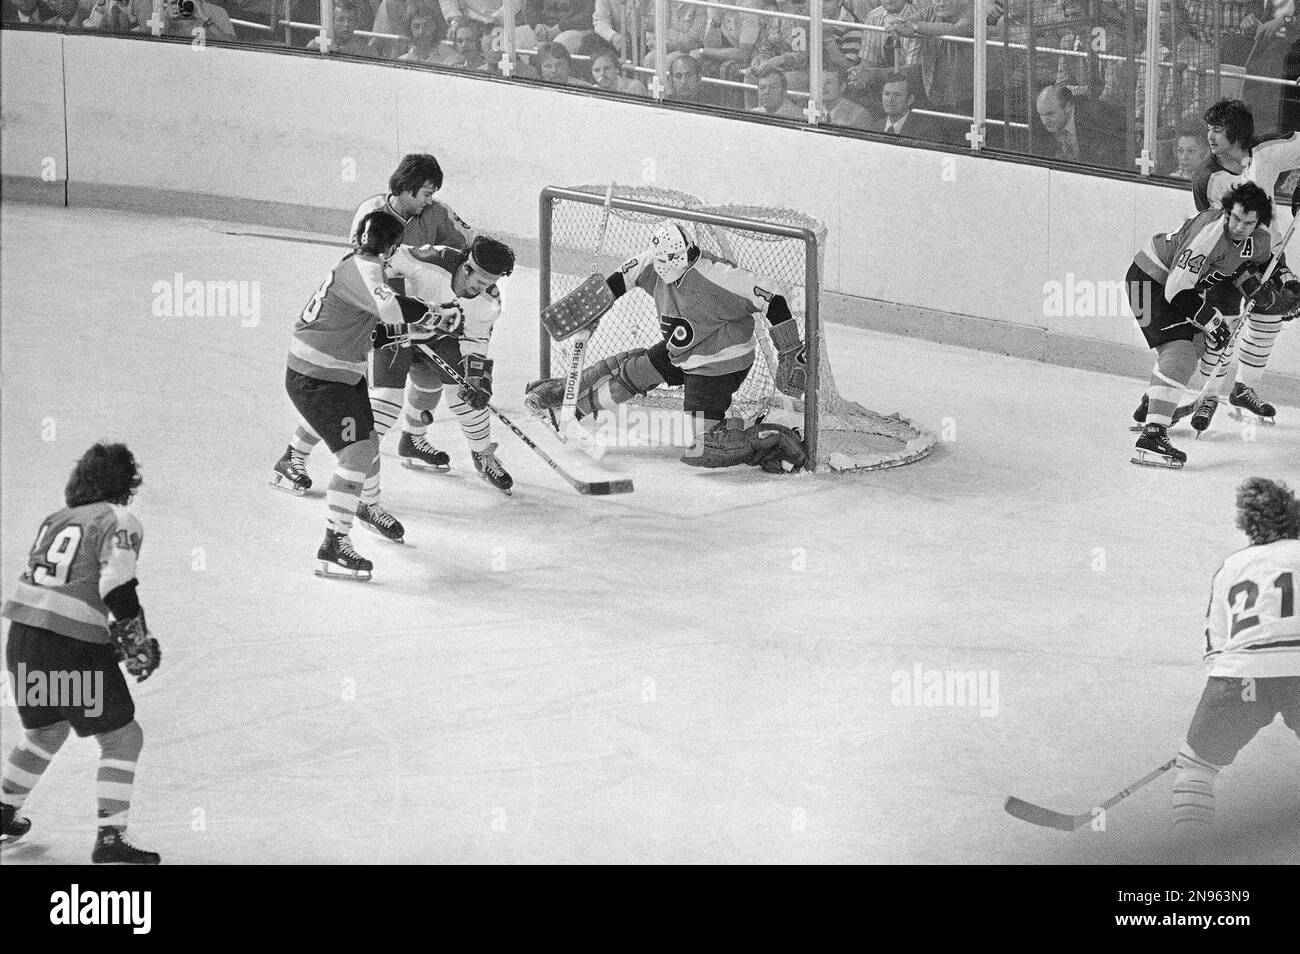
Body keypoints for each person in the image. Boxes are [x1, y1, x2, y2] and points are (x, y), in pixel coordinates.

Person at [524, 221, 808, 473]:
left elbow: (774, 299)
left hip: (718, 363)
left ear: (687, 251)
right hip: (681, 349)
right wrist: (592, 312)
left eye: (674, 258)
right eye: (662, 259)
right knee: (629, 373)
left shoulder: (718, 275)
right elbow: (618, 281)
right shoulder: (652, 263)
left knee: (706, 446)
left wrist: (789, 350)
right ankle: (574, 408)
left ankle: (769, 436)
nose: (666, 265)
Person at [272, 154, 475, 497]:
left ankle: (413, 440)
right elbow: (370, 275)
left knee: (428, 383)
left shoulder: (438, 212)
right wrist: (414, 314)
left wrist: (472, 286)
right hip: (380, 314)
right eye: (425, 191)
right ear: (407, 188)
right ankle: (297, 455)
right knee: (366, 397)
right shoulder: (373, 215)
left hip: (414, 313)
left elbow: (470, 247)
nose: (430, 199)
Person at [0, 443, 162, 864]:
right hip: (71, 644)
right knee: (123, 737)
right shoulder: (118, 519)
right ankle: (110, 839)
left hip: (23, 640)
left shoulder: (57, 519)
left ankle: (2, 813)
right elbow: (115, 584)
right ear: (128, 483)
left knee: (46, 730)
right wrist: (136, 637)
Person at [285, 211, 453, 578]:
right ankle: (333, 543)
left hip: (335, 372)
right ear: (392, 248)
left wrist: (396, 330)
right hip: (319, 378)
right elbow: (391, 308)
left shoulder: (356, 264)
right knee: (357, 452)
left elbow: (367, 321)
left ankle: (365, 505)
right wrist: (433, 313)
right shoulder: (366, 270)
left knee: (369, 443)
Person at [1171, 477, 1299, 862]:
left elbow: (1216, 644)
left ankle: (1188, 857)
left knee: (1196, 767)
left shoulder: (1232, 566)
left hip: (1241, 672)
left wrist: (1218, 716)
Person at [1126, 182, 1273, 469]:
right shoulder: (1211, 231)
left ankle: (1152, 402)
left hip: (1162, 286)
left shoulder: (1258, 239)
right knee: (1179, 353)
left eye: (1248, 223)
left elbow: (1255, 263)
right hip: (1144, 283)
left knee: (1195, 345)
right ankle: (1153, 434)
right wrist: (1213, 320)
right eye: (1235, 218)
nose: (1239, 227)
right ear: (1227, 211)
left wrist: (1281, 280)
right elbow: (1178, 290)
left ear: (1258, 224)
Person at [1189, 98, 1300, 427]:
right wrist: (1249, 280)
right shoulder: (1208, 179)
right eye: (1208, 128)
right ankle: (1208, 395)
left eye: (1218, 130)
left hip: (1269, 255)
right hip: (1226, 260)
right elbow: (1218, 234)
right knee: (1223, 326)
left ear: (1236, 134)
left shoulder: (1265, 155)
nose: (1209, 136)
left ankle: (1244, 388)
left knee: (1270, 319)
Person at [382, 236, 518, 493]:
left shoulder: (489, 300)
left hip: (435, 338)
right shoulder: (431, 262)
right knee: (382, 401)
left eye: (491, 282)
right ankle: (314, 457)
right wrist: (394, 305)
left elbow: (475, 340)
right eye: (480, 280)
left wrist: (478, 379)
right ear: (466, 266)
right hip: (391, 332)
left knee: (458, 388)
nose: (483, 288)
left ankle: (478, 453)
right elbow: (386, 260)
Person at [1033, 84, 1127, 169]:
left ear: (1068, 107)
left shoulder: (1096, 117)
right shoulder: (1041, 125)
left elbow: (1109, 159)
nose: (1045, 121)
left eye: (1050, 114)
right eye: (1041, 115)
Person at [870, 72, 939, 138]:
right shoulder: (875, 128)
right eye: (887, 94)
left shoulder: (925, 131)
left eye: (897, 95)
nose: (890, 100)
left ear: (910, 99)